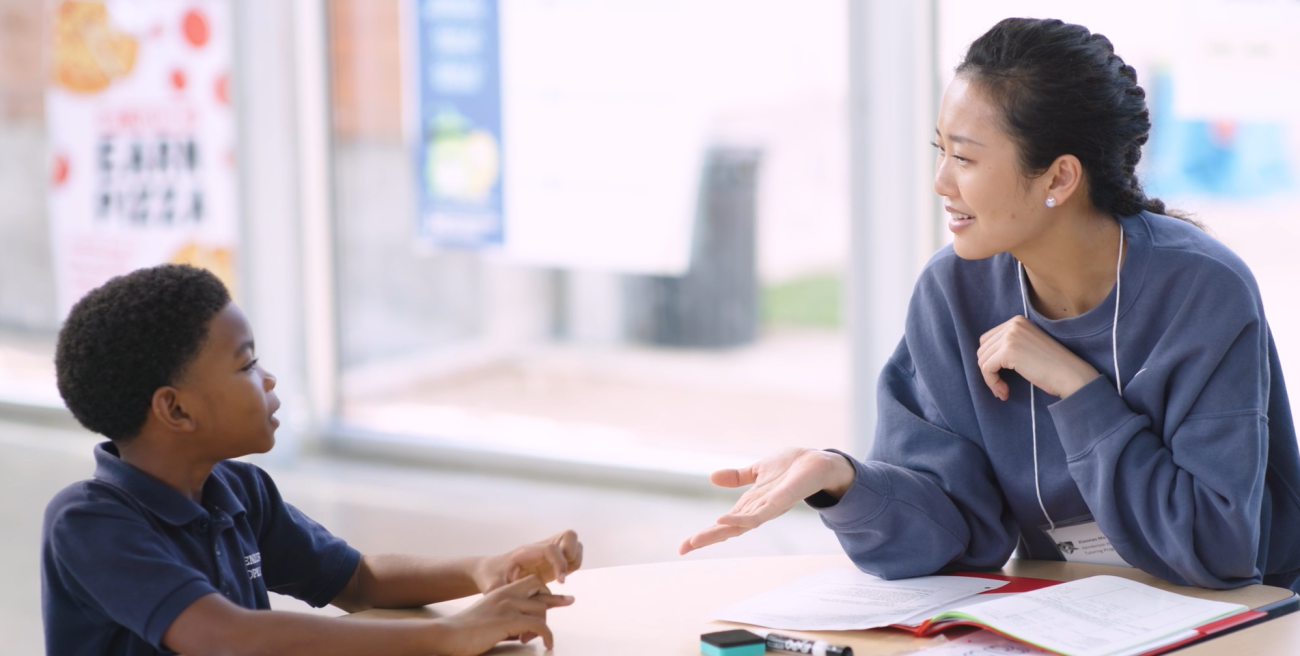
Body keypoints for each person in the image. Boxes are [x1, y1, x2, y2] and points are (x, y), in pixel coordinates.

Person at [680, 17, 1300, 593]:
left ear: (1059, 178)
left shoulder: (1202, 291)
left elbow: (1218, 546)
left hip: (1241, 617)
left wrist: (1075, 388)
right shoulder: (953, 291)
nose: (941, 181)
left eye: (965, 157)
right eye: (940, 151)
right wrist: (840, 479)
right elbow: (955, 531)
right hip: (1074, 618)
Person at [42, 264, 583, 656]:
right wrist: (450, 634)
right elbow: (225, 637)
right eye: (247, 365)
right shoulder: (89, 521)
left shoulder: (241, 491)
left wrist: (480, 569)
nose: (268, 378)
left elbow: (358, 580)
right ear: (176, 409)